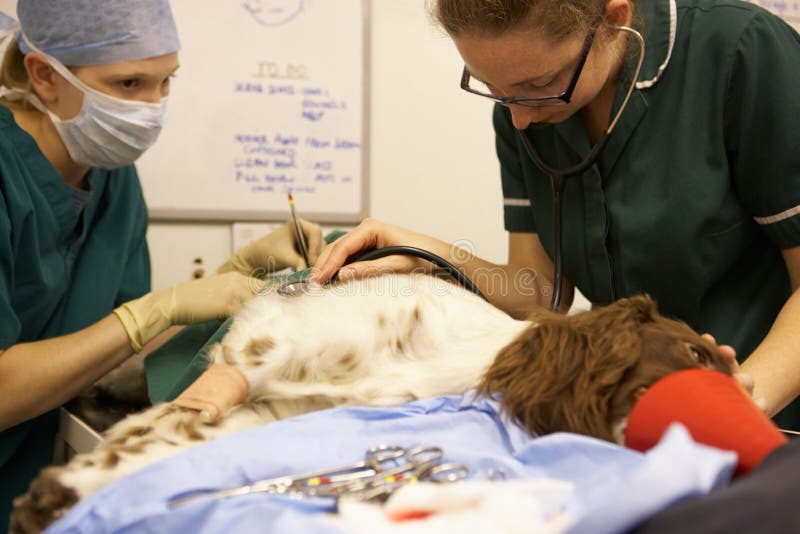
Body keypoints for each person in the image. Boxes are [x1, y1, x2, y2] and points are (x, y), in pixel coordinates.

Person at [313, 0, 800, 429]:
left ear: (615, 19)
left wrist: (739, 403)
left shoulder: (740, 53)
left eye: (541, 83)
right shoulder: (523, 107)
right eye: (492, 87)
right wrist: (426, 255)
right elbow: (541, 291)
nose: (519, 118)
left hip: (772, 413)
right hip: (632, 417)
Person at [0, 0, 321, 527]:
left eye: (166, 81)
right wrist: (156, 309)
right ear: (44, 75)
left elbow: (107, 347)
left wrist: (228, 277)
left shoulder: (111, 176)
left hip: (41, 479)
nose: (152, 107)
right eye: (129, 85)